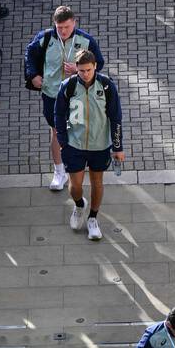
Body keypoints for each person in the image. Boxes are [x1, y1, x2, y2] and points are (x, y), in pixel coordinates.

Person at [25, 5, 105, 192]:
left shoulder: (86, 40)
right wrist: (33, 75)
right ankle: (59, 172)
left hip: (78, 96)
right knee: (56, 131)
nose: (62, 31)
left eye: (66, 27)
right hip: (52, 94)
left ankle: (77, 168)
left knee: (78, 129)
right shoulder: (45, 38)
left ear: (74, 23)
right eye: (59, 27)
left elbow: (98, 63)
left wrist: (79, 70)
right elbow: (30, 54)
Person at [54, 47, 124, 241]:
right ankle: (79, 205)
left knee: (97, 183)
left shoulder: (107, 86)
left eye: (88, 70)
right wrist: (62, 140)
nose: (85, 74)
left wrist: (117, 147)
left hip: (100, 144)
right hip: (74, 144)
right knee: (75, 185)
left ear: (95, 67)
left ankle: (93, 218)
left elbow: (116, 117)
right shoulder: (67, 87)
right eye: (81, 70)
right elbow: (58, 114)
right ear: (76, 68)